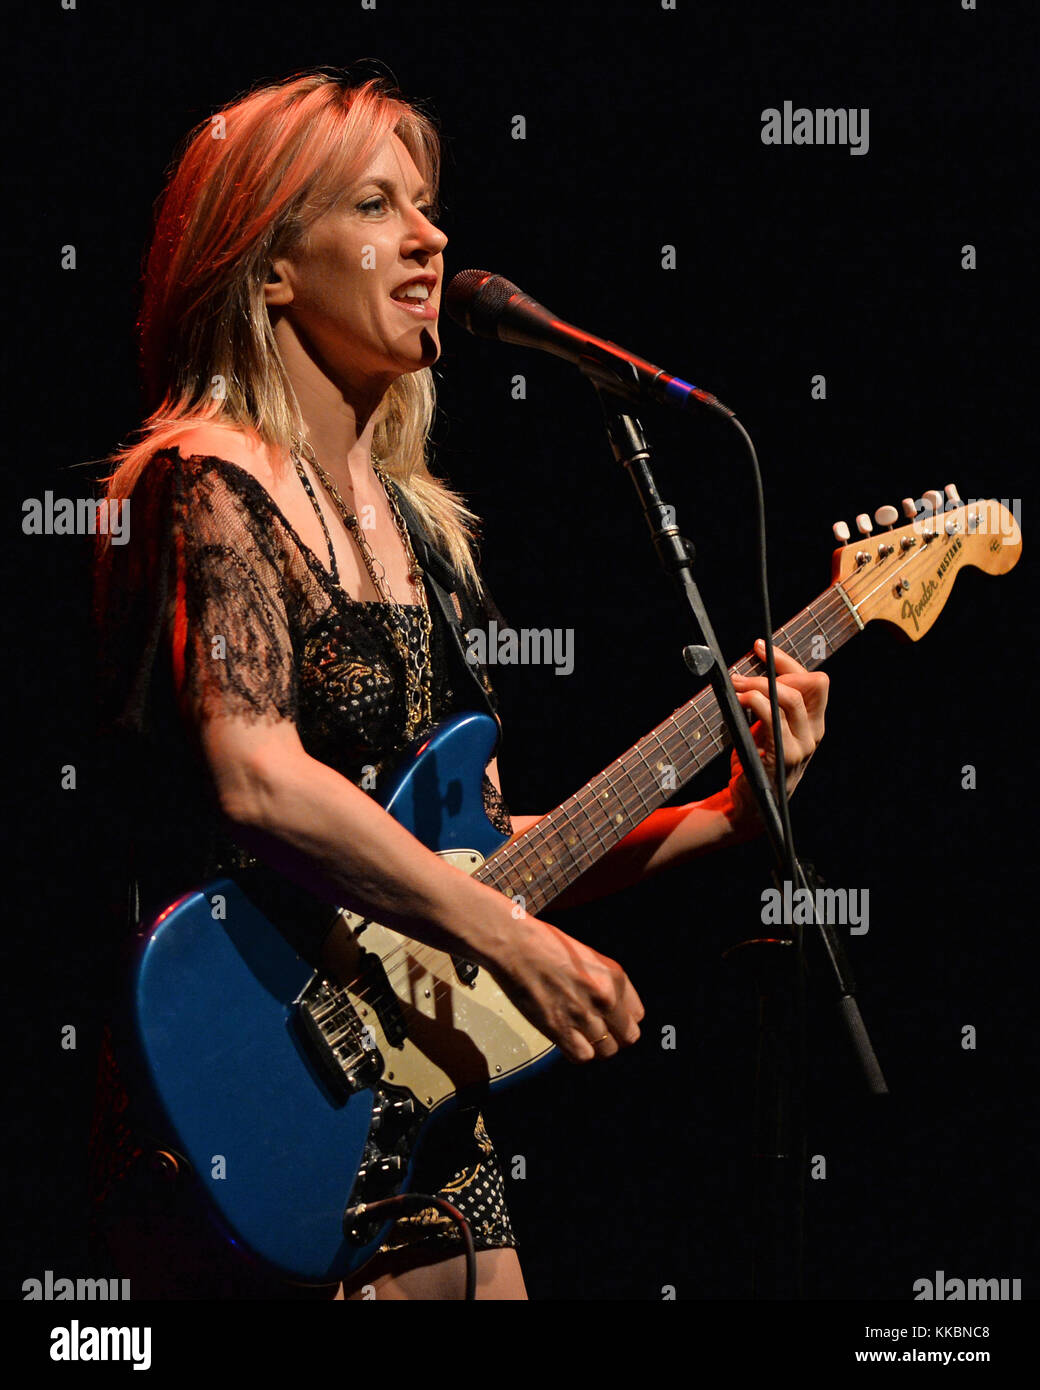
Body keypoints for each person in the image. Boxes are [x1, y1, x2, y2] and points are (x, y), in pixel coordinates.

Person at [88, 67, 830, 1301]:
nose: (430, 238)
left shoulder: (430, 535)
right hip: (247, 1077)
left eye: (427, 206)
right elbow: (254, 776)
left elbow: (479, 856)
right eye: (376, 207)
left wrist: (719, 820)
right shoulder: (203, 476)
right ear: (270, 262)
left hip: (418, 1094)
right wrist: (516, 947)